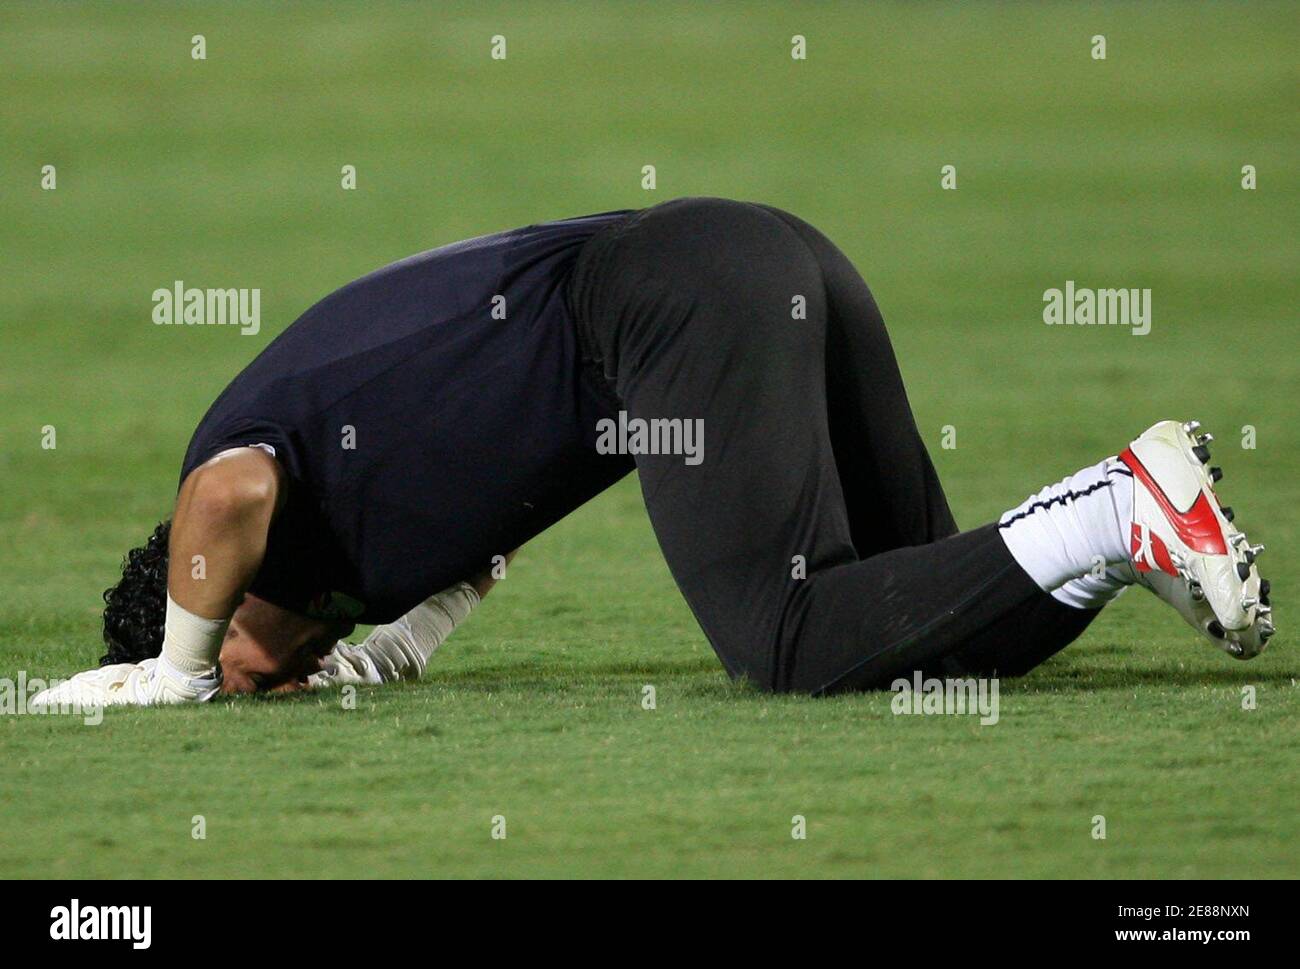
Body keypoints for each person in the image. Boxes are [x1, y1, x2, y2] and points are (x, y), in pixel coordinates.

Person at [30, 198, 1273, 711]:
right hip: (768, 259)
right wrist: (392, 653)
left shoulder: (249, 495)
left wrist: (179, 676)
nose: (276, 689)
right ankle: (1128, 531)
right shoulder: (345, 562)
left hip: (672, 299)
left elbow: (222, 497)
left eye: (252, 676)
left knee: (781, 643)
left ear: (211, 601)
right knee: (934, 632)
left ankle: (1117, 510)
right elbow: (476, 559)